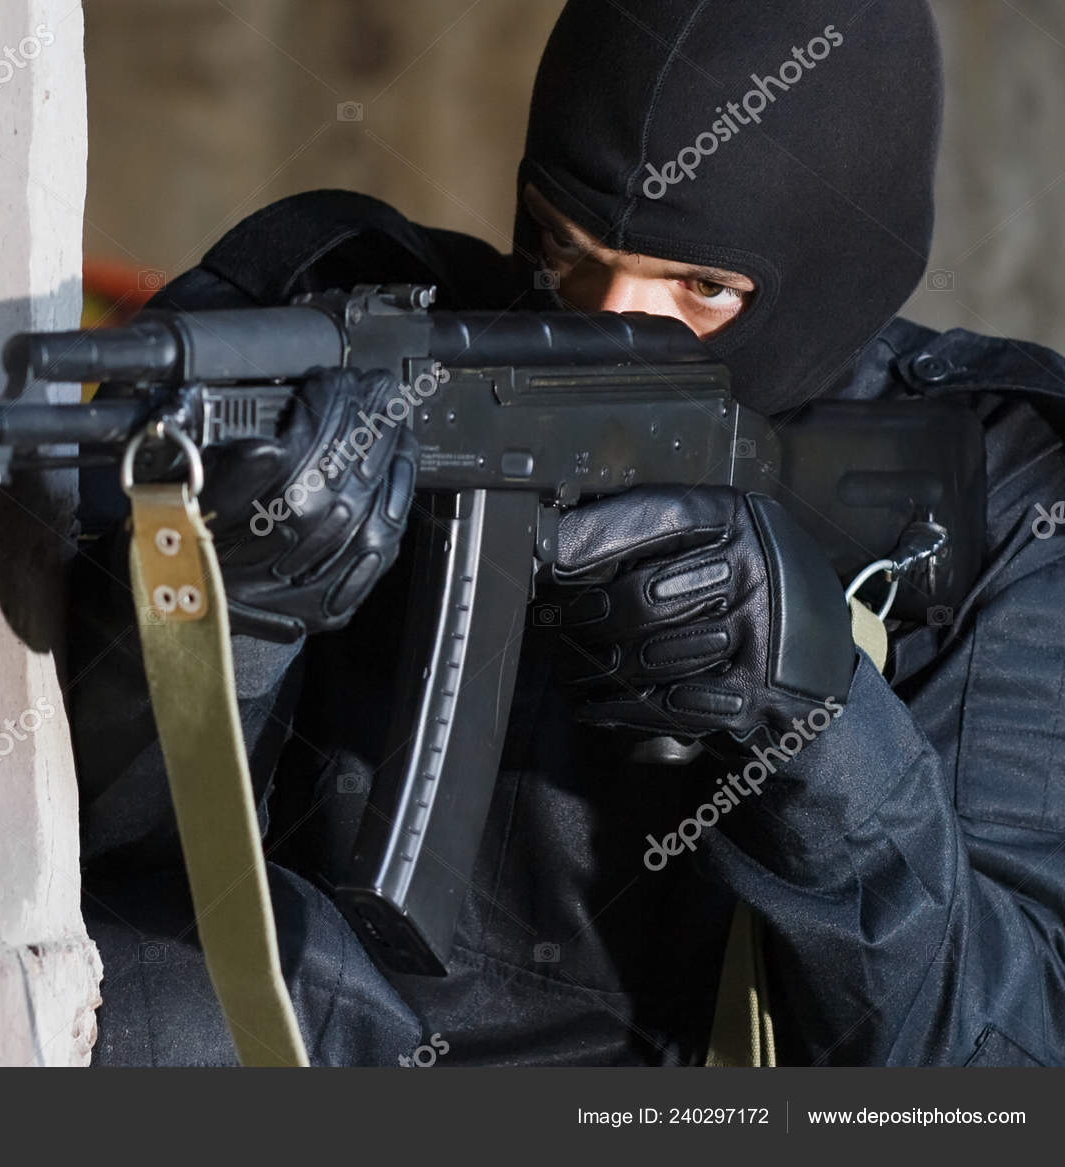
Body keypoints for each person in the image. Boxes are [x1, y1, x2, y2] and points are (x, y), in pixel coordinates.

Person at [68, 0, 1065, 1066]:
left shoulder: (1001, 486)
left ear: (840, 278)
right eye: (565, 247)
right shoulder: (333, 327)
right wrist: (230, 607)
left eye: (703, 288)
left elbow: (1004, 1060)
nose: (609, 324)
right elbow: (73, 852)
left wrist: (818, 718)